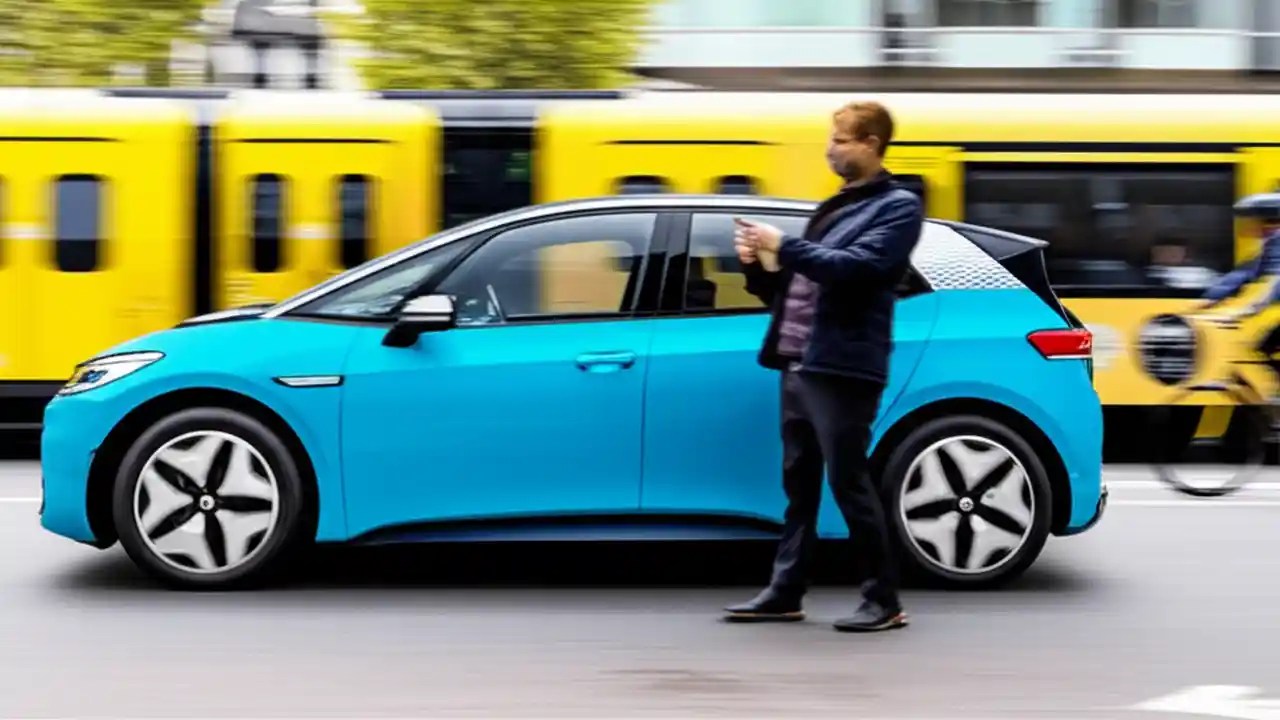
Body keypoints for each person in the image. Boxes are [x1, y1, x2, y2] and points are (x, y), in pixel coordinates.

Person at [722, 100, 923, 633]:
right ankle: (786, 592)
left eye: (840, 139)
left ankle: (884, 601)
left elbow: (861, 270)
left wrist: (784, 245)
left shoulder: (899, 207)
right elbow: (799, 290)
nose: (830, 149)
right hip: (798, 363)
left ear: (872, 145)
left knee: (849, 482)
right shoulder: (836, 206)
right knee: (800, 484)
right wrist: (757, 268)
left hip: (843, 368)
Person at [1195, 201, 1280, 382]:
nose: (1256, 230)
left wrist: (1248, 310)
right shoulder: (1272, 242)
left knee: (1264, 347)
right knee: (1264, 347)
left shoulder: (1276, 241)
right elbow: (1248, 271)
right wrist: (1211, 298)